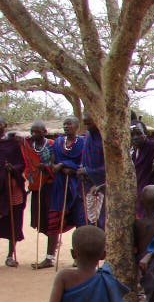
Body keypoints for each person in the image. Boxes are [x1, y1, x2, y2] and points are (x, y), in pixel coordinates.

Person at [48, 116, 85, 256]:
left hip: (76, 186)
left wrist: (67, 165)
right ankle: (49, 257)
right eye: (64, 124)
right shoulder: (57, 142)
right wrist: (60, 167)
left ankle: (79, 256)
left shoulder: (83, 142)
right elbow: (53, 163)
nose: (66, 126)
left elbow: (84, 162)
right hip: (60, 185)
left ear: (76, 126)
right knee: (54, 220)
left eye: (69, 124)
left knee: (80, 221)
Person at [20, 120, 55, 269]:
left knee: (51, 220)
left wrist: (46, 167)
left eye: (37, 131)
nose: (34, 134)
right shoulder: (28, 146)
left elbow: (56, 164)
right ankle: (53, 246)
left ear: (45, 132)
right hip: (36, 187)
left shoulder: (53, 145)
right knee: (40, 220)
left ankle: (49, 256)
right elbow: (27, 165)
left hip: (50, 187)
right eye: (32, 131)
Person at [130, 115, 154, 218]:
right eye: (132, 135)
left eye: (139, 134)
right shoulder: (133, 152)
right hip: (139, 198)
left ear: (145, 134)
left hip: (151, 198)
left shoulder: (153, 147)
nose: (135, 138)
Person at [0, 115, 25, 267]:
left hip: (12, 186)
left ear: (5, 126)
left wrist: (12, 168)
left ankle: (10, 255)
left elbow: (21, 164)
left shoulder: (13, 144)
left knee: (13, 221)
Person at [76, 111, 106, 228]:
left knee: (102, 220)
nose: (87, 127)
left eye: (89, 124)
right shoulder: (88, 136)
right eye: (85, 124)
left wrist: (89, 171)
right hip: (87, 183)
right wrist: (82, 169)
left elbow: (110, 166)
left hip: (103, 185)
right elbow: (84, 157)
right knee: (87, 219)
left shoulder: (105, 139)